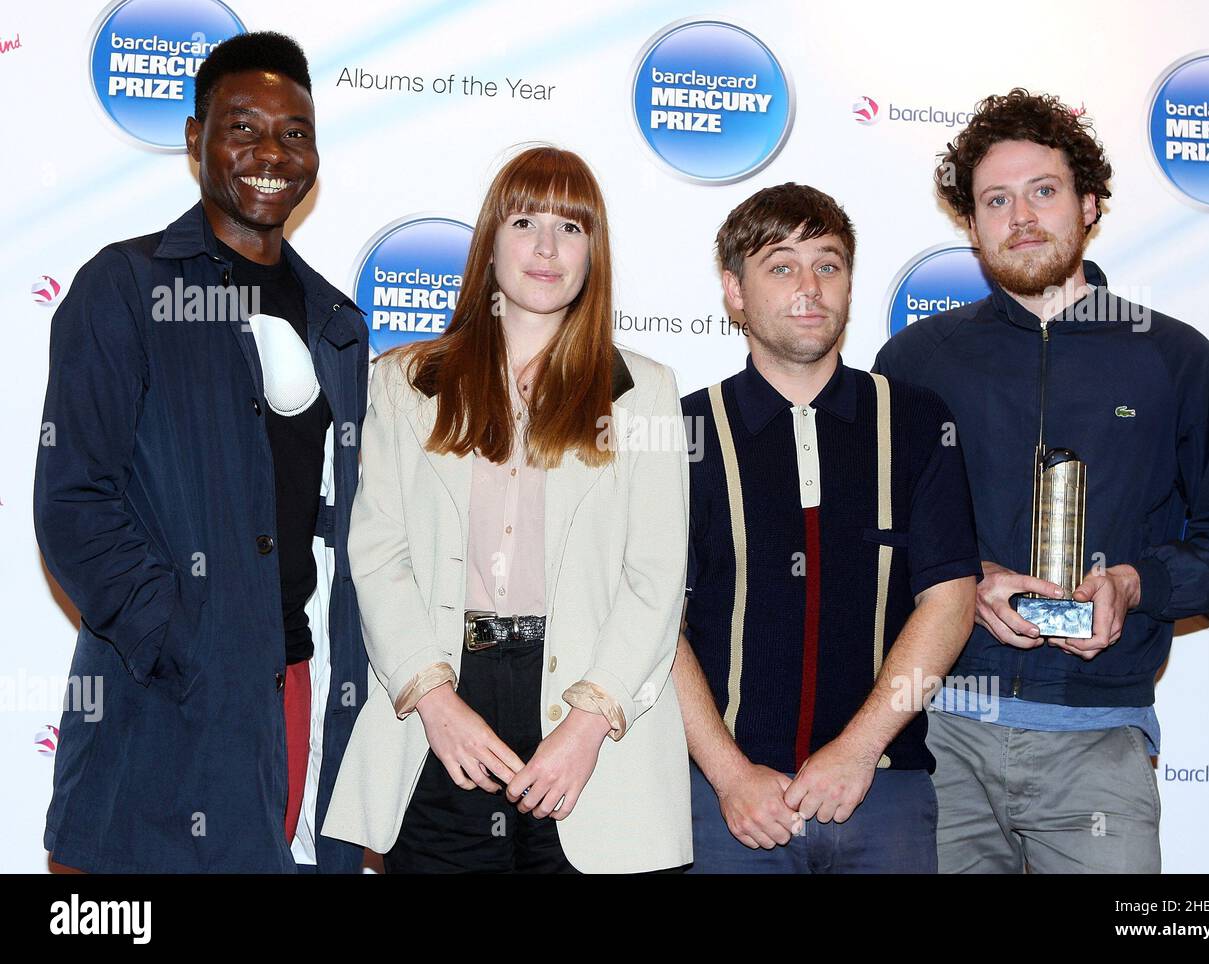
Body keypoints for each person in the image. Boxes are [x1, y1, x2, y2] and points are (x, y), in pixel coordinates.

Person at [873, 89, 1209, 873]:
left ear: (1090, 204)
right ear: (971, 223)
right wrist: (970, 580)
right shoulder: (915, 363)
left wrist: (1134, 582)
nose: (1020, 216)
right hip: (940, 739)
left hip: (1100, 745)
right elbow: (873, 542)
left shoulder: (1173, 357)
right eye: (996, 199)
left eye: (1043, 191)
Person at [34, 32, 370, 872]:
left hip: (295, 687)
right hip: (159, 699)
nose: (271, 152)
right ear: (195, 140)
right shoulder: (127, 288)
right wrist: (183, 642)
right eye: (243, 126)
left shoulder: (336, 322)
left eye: (295, 132)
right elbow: (73, 503)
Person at [322, 146, 692, 873]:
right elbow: (377, 553)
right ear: (491, 243)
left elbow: (654, 577)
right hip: (446, 703)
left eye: (571, 227)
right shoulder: (405, 383)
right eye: (525, 221)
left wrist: (587, 725)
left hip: (591, 715)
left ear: (595, 252)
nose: (547, 247)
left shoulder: (644, 390)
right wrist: (433, 700)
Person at [674, 183, 980, 873]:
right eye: (780, 265)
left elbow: (951, 599)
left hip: (885, 791)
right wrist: (730, 774)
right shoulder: (681, 432)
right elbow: (654, 623)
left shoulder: (917, 421)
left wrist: (858, 749)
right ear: (735, 291)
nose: (809, 286)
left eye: (829, 263)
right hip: (724, 803)